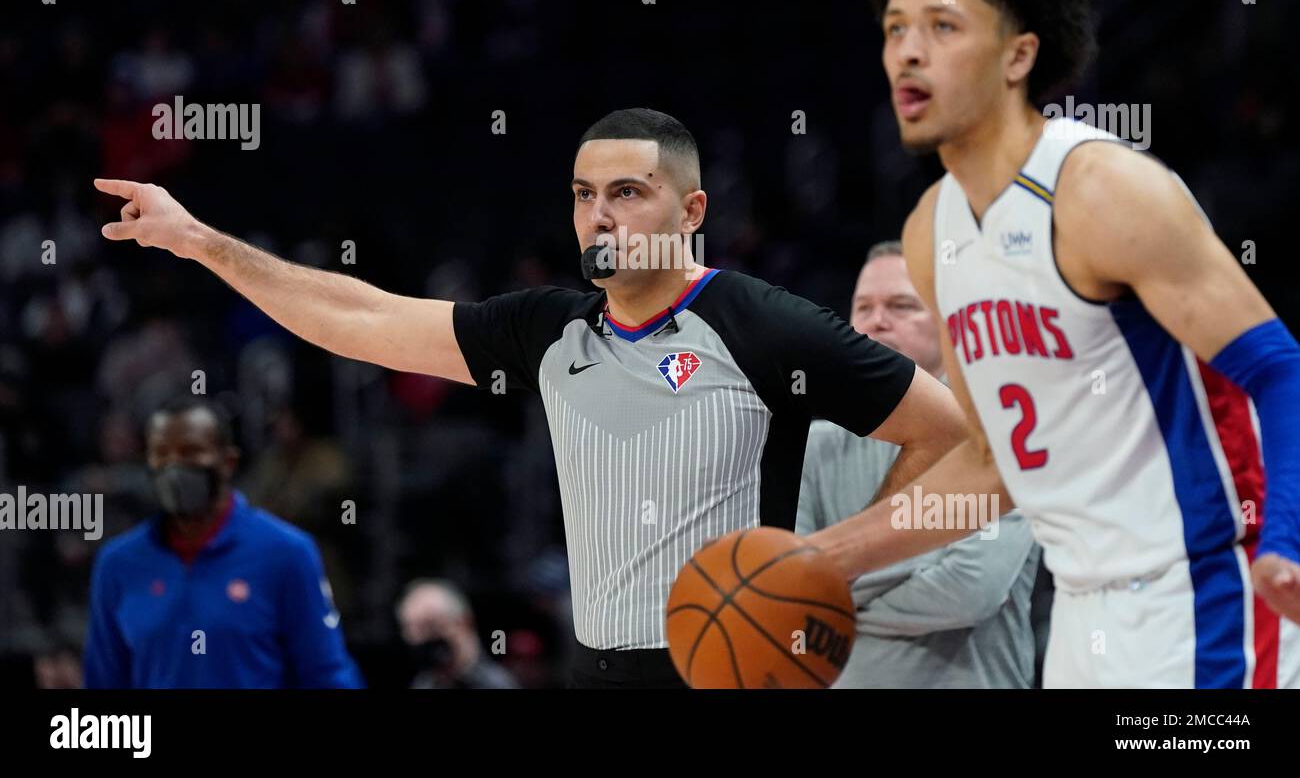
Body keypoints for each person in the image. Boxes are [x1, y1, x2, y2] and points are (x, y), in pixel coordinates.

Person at [94, 107, 967, 688]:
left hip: (736, 669)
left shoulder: (761, 323)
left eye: (628, 192)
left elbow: (957, 440)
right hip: (592, 669)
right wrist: (203, 242)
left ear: (691, 208)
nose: (600, 216)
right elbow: (357, 315)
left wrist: (837, 559)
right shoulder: (549, 330)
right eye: (586, 196)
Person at [809, 0, 1300, 687]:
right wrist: (822, 555)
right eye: (896, 29)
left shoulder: (1101, 189)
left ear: (1018, 56)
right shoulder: (932, 231)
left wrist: (1287, 538)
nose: (907, 52)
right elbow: (991, 461)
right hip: (1081, 613)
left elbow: (1278, 367)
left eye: (942, 28)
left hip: (1206, 595)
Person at [797, 240, 1038, 687]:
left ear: (951, 327)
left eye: (902, 305)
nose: (877, 320)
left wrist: (836, 601)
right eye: (863, 306)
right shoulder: (813, 446)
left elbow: (971, 588)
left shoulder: (1002, 435)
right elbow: (794, 594)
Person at [84, 396, 363, 688]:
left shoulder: (287, 552)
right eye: (161, 454)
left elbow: (326, 673)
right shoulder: (117, 564)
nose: (174, 466)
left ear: (228, 462)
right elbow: (103, 684)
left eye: (190, 452)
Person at [396, 579, 518, 689]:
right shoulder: (423, 683)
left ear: (464, 623)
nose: (418, 639)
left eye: (430, 627)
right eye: (410, 629)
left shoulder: (495, 683)